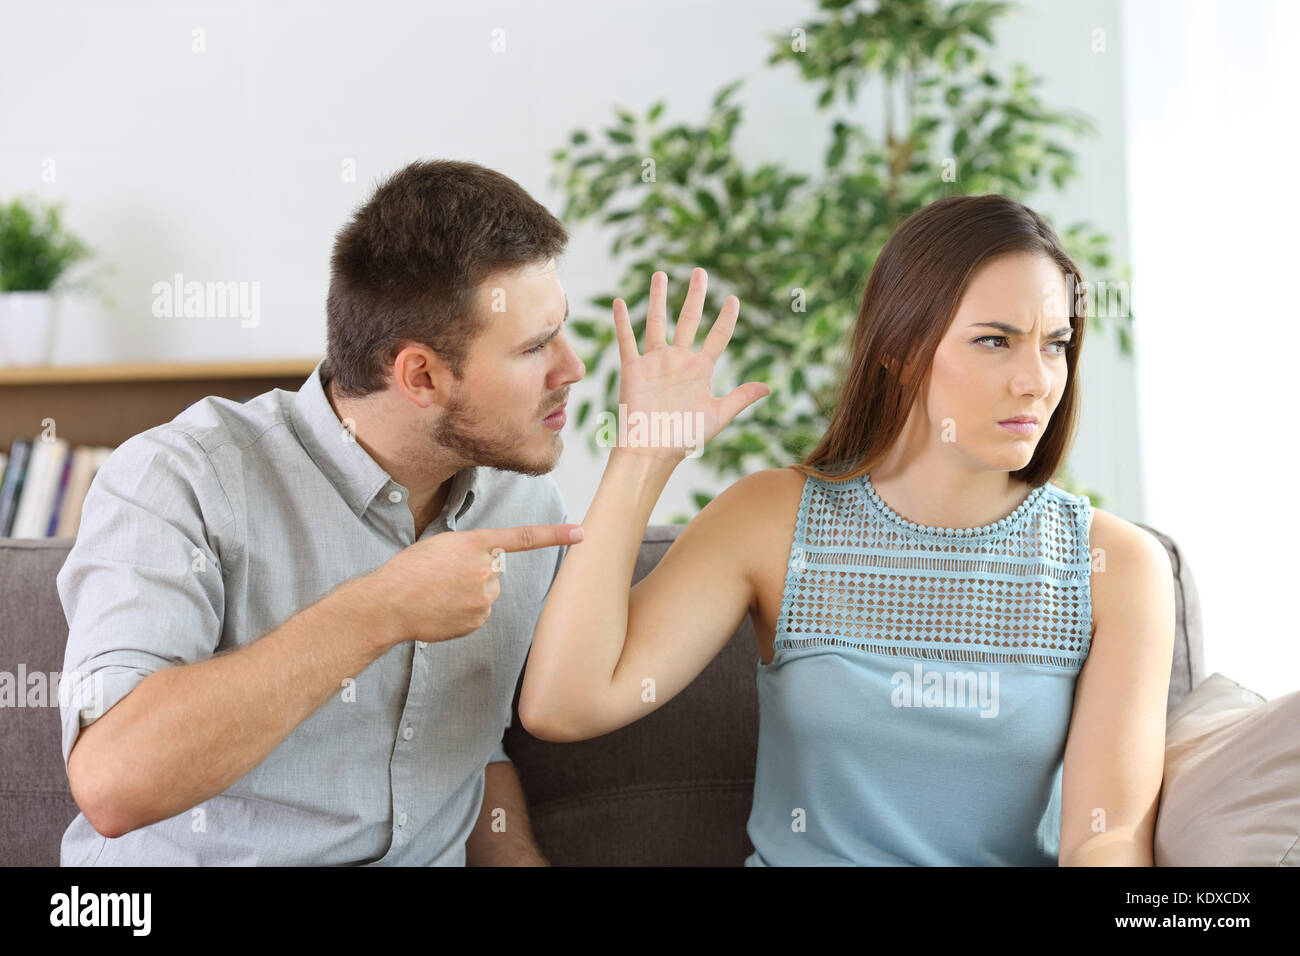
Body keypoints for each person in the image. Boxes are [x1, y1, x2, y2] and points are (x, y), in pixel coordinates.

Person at [520, 194, 1176, 866]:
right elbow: (563, 705)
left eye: (1056, 344)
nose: (1036, 380)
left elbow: (1107, 835)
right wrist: (643, 454)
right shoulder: (772, 518)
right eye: (994, 340)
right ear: (898, 348)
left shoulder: (1116, 566)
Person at [58, 159, 585, 865]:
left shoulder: (523, 506)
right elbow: (114, 782)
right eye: (533, 348)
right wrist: (378, 610)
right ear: (420, 376)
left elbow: (468, 754)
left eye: (561, 331)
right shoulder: (181, 478)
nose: (572, 368)